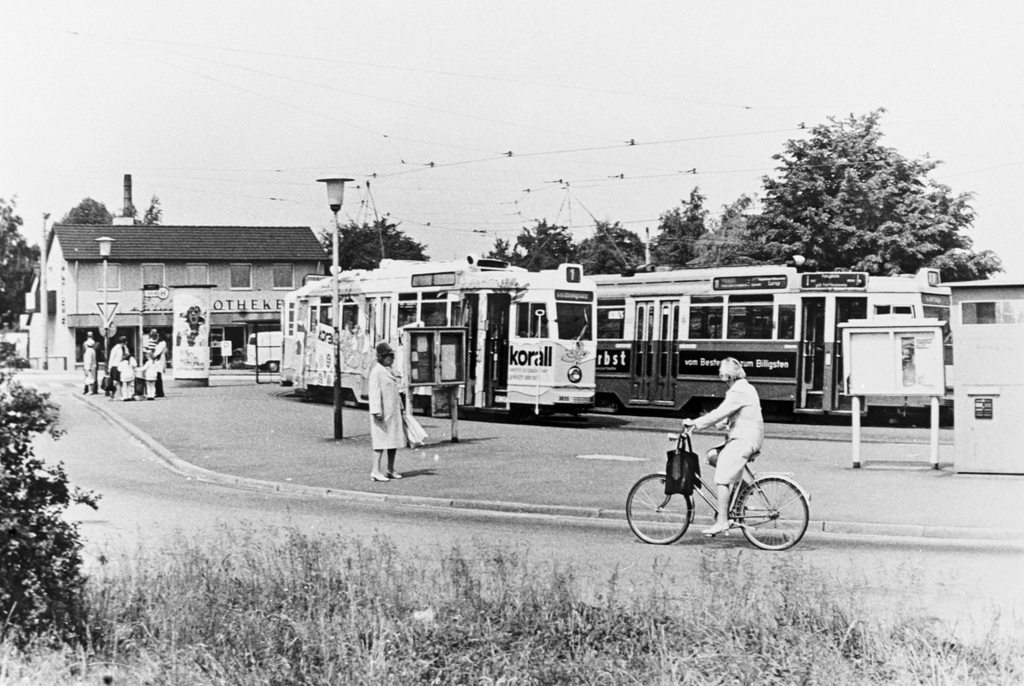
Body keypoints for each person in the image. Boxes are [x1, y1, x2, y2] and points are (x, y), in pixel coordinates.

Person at [682, 357, 764, 536]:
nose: (724, 382)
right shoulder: (745, 387)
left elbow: (721, 412)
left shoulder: (738, 391)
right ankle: (742, 492)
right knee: (713, 456)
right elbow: (733, 413)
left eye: (724, 377)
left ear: (729, 377)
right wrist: (719, 423)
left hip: (744, 439)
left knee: (722, 478)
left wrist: (695, 423)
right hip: (746, 437)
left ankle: (722, 521)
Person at [368, 341, 406, 482]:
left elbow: (395, 392)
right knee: (380, 443)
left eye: (392, 356)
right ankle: (375, 470)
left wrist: (401, 408)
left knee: (392, 441)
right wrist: (376, 411)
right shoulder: (376, 371)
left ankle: (390, 469)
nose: (392, 359)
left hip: (393, 412)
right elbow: (374, 392)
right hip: (382, 414)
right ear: (381, 357)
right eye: (389, 356)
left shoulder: (388, 370)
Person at [149, 330, 167, 398]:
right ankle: (158, 391)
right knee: (157, 376)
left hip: (159, 361)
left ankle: (159, 392)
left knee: (157, 377)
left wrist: (152, 355)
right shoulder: (159, 343)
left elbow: (157, 352)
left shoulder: (162, 343)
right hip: (158, 361)